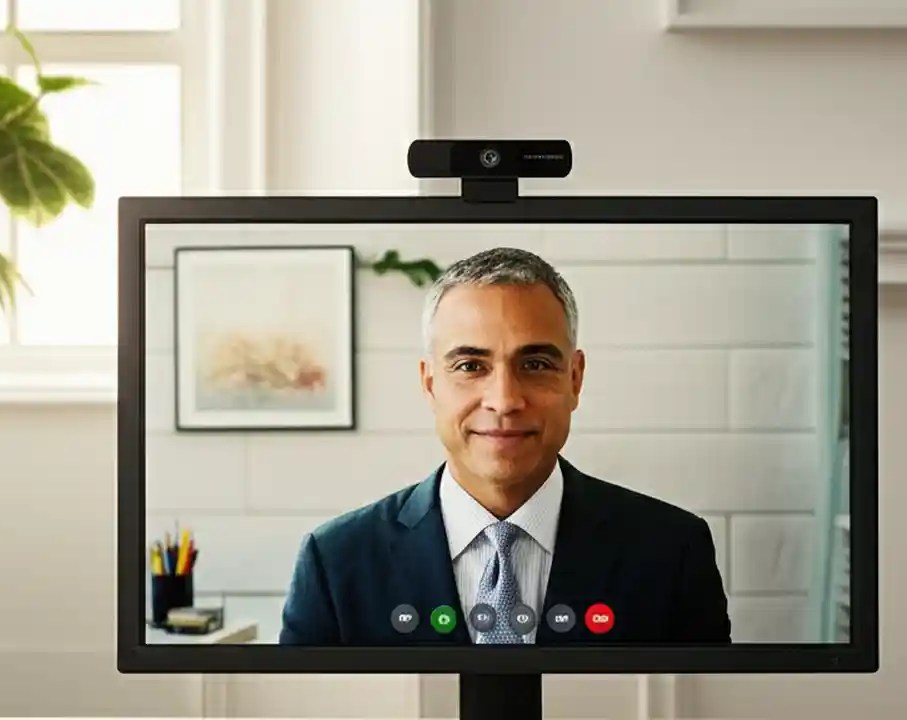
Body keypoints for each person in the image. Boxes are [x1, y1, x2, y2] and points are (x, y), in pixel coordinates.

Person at [279, 247, 731, 646]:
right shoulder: (335, 562)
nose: (504, 400)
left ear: (575, 379)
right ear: (430, 383)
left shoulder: (671, 553)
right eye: (470, 365)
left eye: (535, 364)